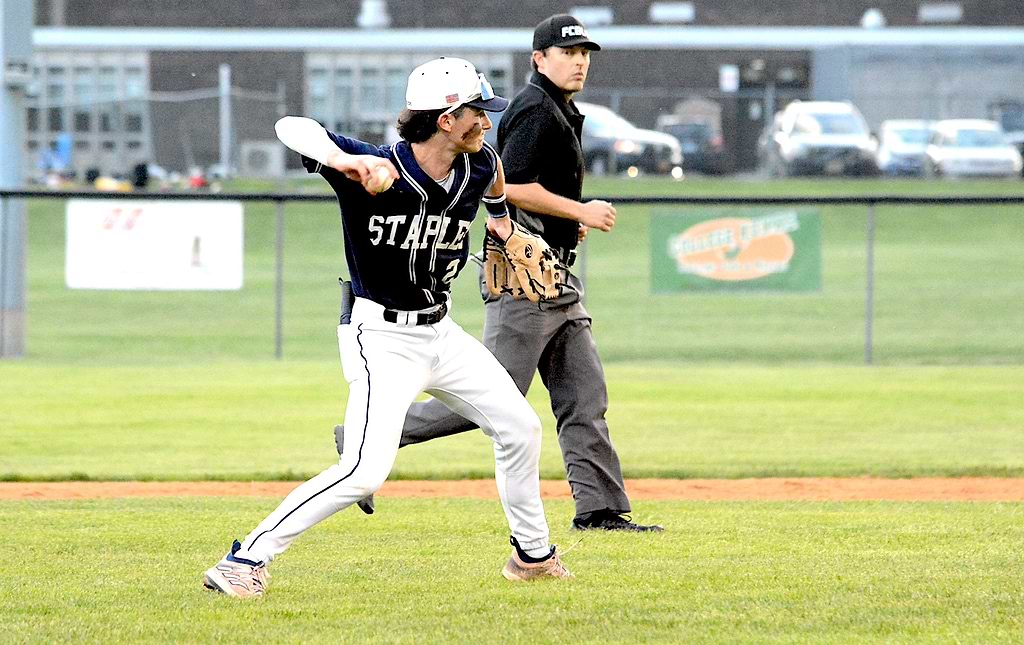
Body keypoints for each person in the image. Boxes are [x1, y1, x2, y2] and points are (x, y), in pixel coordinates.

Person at [203, 57, 573, 598]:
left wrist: (500, 225)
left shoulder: (477, 163)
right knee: (363, 473)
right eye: (477, 112)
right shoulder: (377, 164)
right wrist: (343, 161)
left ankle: (532, 556)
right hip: (379, 336)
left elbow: (494, 186)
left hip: (442, 334)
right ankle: (245, 559)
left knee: (521, 427)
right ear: (446, 118)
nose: (486, 122)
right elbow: (292, 127)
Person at [338, 15, 662, 533]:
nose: (578, 61)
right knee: (502, 396)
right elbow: (508, 183)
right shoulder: (534, 109)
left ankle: (600, 510)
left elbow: (510, 183)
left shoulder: (558, 108)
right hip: (523, 279)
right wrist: (577, 212)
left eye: (584, 52)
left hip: (555, 274)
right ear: (539, 59)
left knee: (584, 395)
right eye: (567, 51)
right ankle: (371, 431)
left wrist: (560, 223)